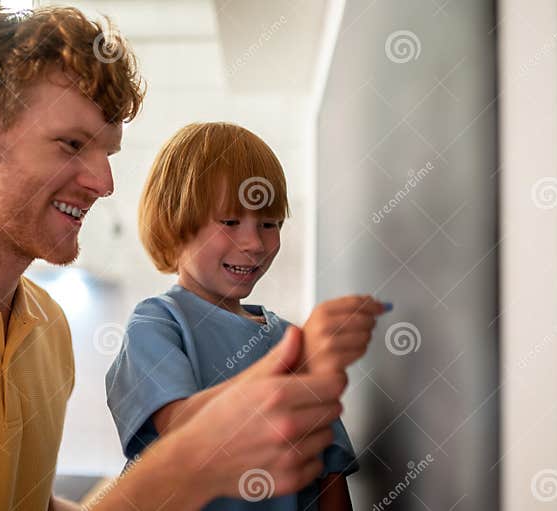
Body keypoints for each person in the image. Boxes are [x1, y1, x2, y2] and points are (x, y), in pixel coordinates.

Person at [0, 4, 373, 511]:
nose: (104, 182)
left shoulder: (47, 330)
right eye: (72, 145)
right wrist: (188, 461)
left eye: (108, 153)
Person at [105, 123, 389, 510]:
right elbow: (184, 435)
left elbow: (330, 470)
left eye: (269, 224)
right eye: (230, 222)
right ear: (174, 221)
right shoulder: (158, 324)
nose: (254, 244)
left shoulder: (290, 337)